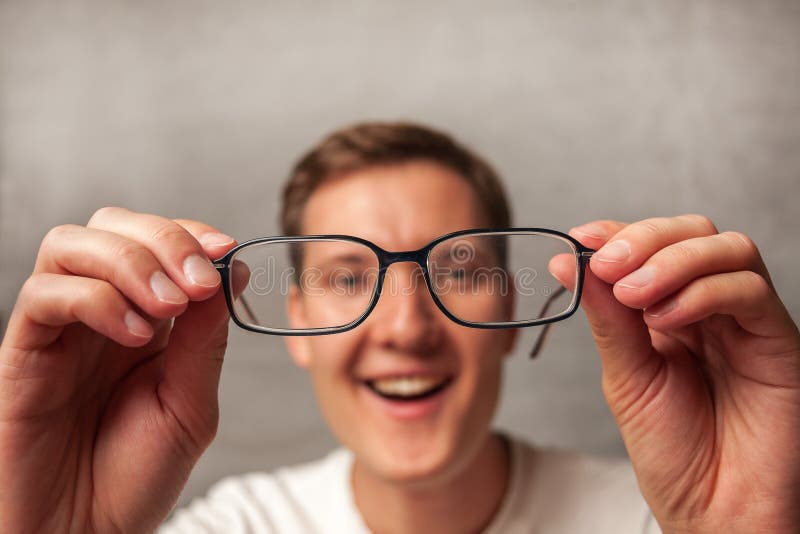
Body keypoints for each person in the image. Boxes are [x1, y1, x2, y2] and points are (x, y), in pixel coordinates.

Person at [0, 122, 797, 534]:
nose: (407, 327)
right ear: (298, 318)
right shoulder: (230, 529)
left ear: (514, 315)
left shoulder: (661, 526)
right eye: (349, 277)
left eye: (457, 271)